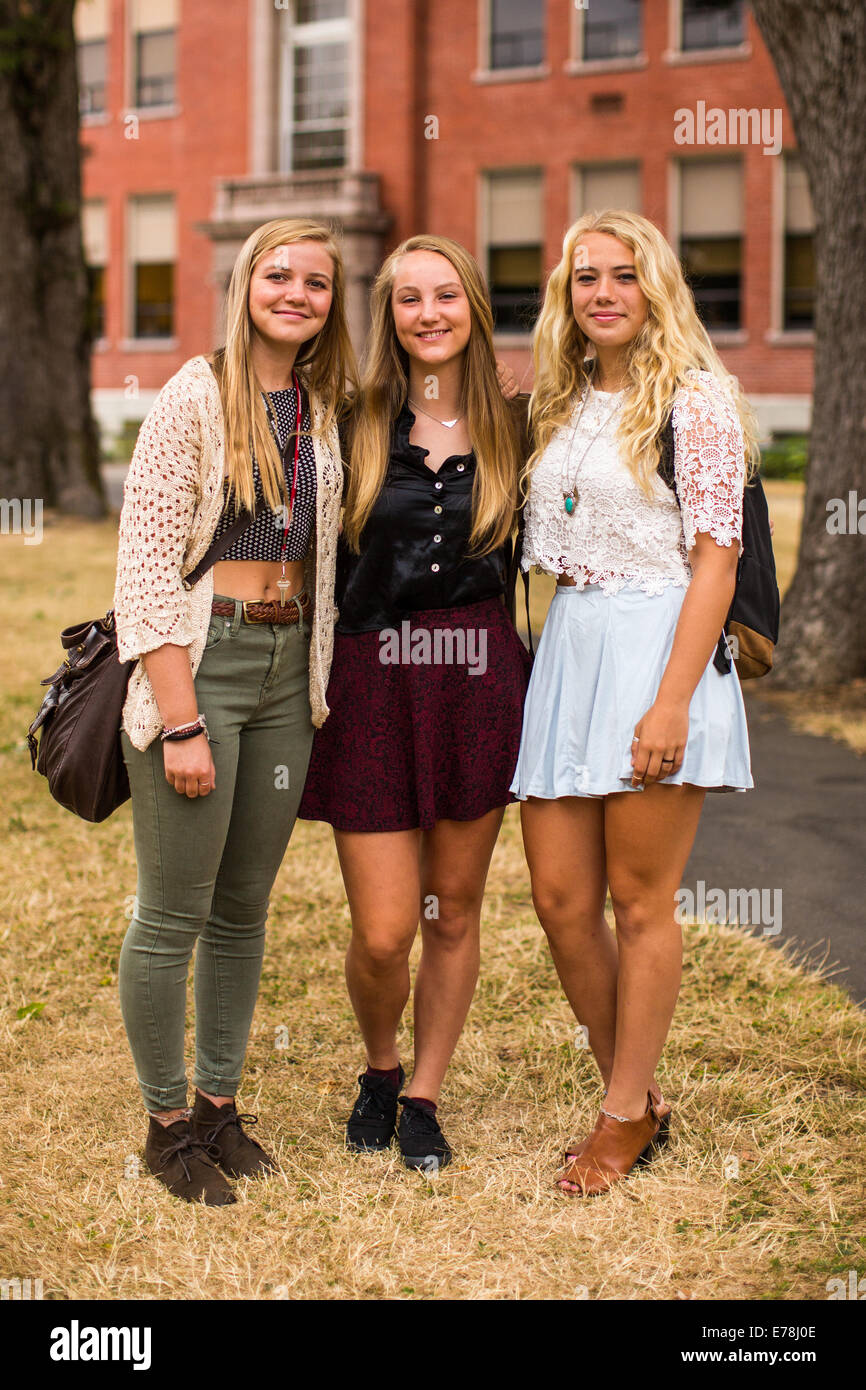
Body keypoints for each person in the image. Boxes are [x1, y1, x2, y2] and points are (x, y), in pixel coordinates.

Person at [511, 209, 756, 1196]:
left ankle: (619, 1115)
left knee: (637, 899)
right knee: (561, 900)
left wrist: (668, 704)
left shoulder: (693, 400)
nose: (602, 292)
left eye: (621, 275)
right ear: (566, 298)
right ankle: (639, 1091)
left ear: (654, 287)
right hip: (571, 647)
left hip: (660, 647)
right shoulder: (559, 402)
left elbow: (717, 557)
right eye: (584, 278)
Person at [113, 217, 354, 1204]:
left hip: (287, 669)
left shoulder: (322, 407)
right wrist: (178, 719)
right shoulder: (192, 396)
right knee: (172, 910)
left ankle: (219, 1105)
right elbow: (141, 571)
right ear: (245, 283)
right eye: (278, 274)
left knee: (243, 909)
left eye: (317, 282)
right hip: (201, 660)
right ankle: (166, 1125)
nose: (296, 293)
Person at [298, 235, 531, 1171]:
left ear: (472, 306)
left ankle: (425, 1094)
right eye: (408, 300)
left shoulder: (520, 427)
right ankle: (380, 1067)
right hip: (372, 677)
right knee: (385, 928)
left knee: (455, 910)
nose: (428, 314)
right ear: (387, 315)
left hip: (477, 680)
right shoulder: (349, 424)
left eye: (445, 296)